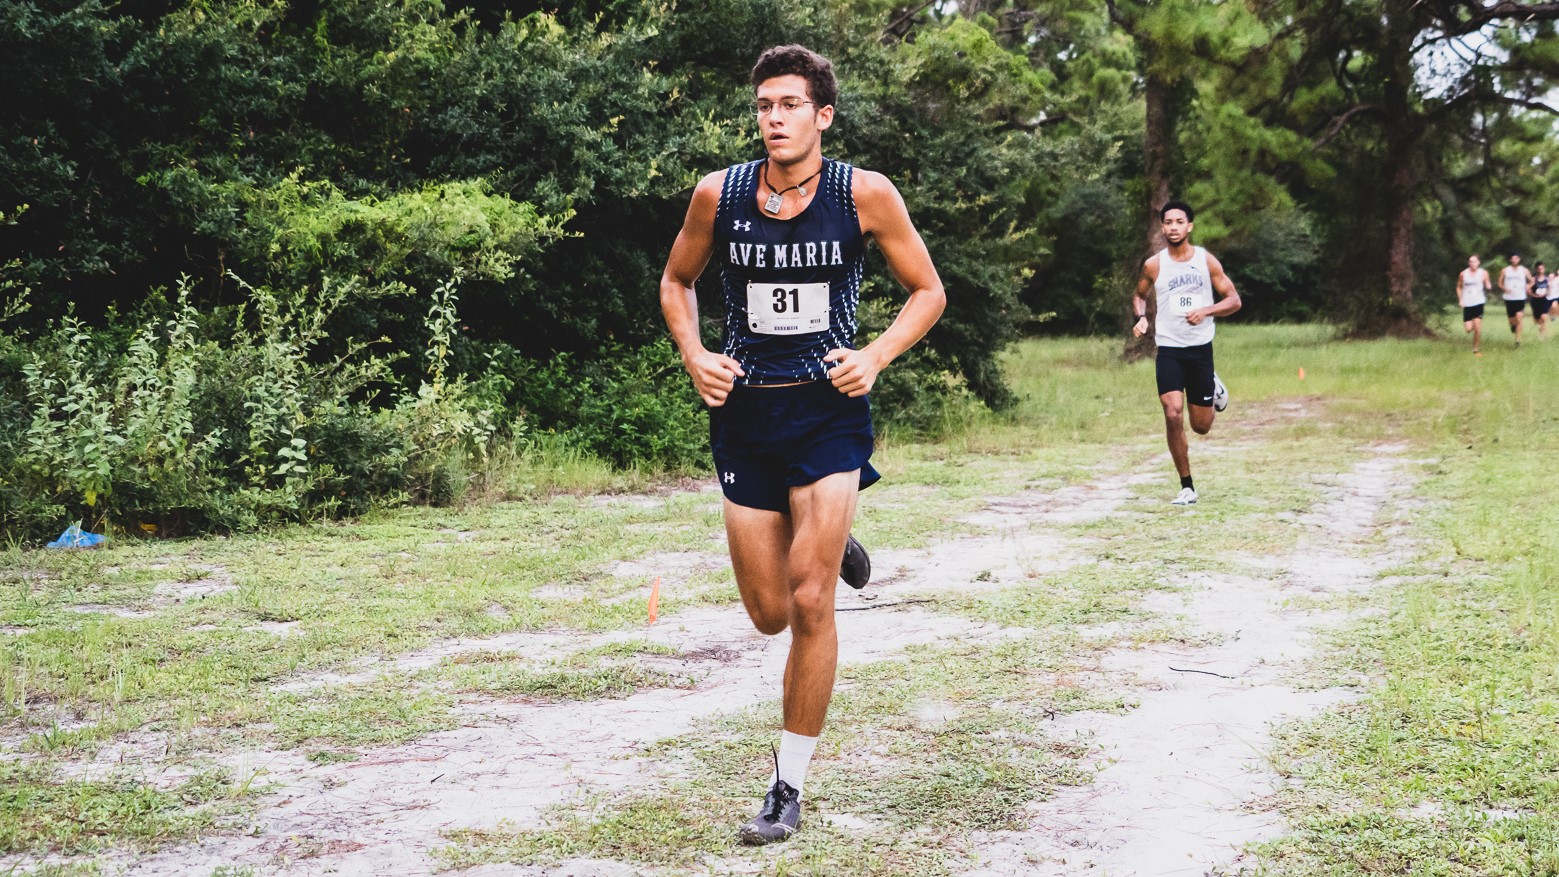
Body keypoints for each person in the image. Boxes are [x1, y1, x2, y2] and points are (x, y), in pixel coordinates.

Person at [658, 44, 946, 845]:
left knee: (812, 600)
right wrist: (693, 353)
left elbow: (929, 290)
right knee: (770, 612)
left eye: (789, 105)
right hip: (746, 414)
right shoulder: (720, 195)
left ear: (821, 115)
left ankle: (786, 787)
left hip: (828, 412)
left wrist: (876, 354)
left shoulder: (864, 195)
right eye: (763, 106)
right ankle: (829, 534)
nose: (773, 119)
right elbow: (675, 281)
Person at [1132, 201, 1242, 505]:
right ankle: (1187, 486)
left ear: (1189, 226)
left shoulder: (1206, 262)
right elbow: (1139, 295)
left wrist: (1207, 310)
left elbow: (1234, 300)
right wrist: (1140, 317)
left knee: (1201, 426)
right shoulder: (1154, 265)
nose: (1173, 227)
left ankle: (1212, 384)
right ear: (1162, 227)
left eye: (1179, 222)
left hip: (1199, 351)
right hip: (1169, 349)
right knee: (1172, 412)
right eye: (1168, 222)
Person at [1458, 254, 1491, 356]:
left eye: (1474, 261)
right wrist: (1460, 300)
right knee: (1468, 329)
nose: (1472, 263)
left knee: (1477, 327)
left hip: (1479, 302)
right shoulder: (1463, 274)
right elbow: (1458, 287)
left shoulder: (1483, 273)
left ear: (1478, 262)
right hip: (1467, 303)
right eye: (1470, 262)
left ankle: (1476, 348)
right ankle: (1471, 323)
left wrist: (1488, 286)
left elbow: (1487, 283)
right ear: (1469, 263)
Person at [1498, 253, 1533, 346]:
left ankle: (1517, 340)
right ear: (1510, 260)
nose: (1514, 260)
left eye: (1516, 258)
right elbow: (1500, 283)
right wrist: (1505, 289)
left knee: (1519, 317)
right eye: (1512, 258)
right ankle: (1513, 326)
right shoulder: (1505, 270)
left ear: (1519, 259)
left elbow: (1532, 280)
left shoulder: (1524, 270)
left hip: (1520, 297)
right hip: (1509, 298)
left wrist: (1528, 286)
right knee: (1512, 321)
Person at [1530, 261, 1550, 340]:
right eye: (1538, 268)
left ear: (1544, 269)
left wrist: (1546, 293)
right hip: (1535, 301)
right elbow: (1529, 291)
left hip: (1544, 300)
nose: (1540, 270)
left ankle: (1542, 336)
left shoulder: (1547, 279)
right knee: (1537, 320)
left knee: (1544, 317)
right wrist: (1535, 295)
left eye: (1542, 268)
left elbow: (1549, 289)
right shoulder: (1533, 279)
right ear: (1536, 270)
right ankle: (1540, 325)